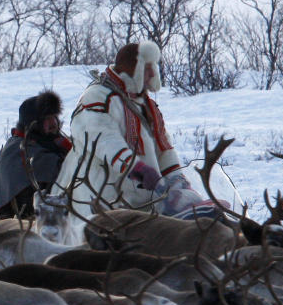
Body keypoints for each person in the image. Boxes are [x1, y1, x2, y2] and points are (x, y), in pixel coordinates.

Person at [53, 40, 211, 244]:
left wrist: (177, 181)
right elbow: (101, 139)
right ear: (133, 70)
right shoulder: (98, 97)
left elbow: (164, 148)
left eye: (153, 68)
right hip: (99, 195)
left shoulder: (147, 105)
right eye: (147, 69)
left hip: (143, 198)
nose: (153, 75)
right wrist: (136, 167)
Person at [0, 90, 73, 218]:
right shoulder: (21, 149)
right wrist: (70, 151)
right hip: (30, 221)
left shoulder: (46, 142)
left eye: (54, 117)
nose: (53, 123)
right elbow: (67, 170)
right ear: (33, 123)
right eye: (46, 119)